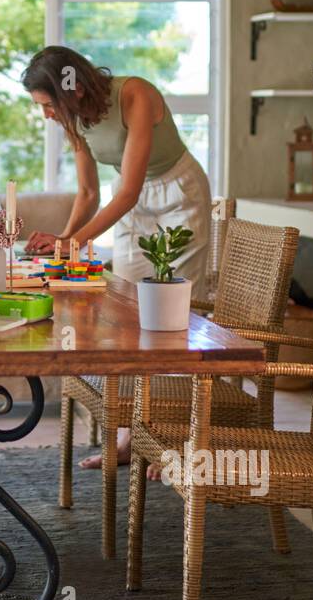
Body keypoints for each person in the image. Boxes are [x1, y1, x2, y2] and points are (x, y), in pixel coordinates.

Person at [20, 45, 212, 476]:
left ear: (71, 88)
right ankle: (129, 436)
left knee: (174, 322)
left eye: (48, 105)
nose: (47, 115)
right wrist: (64, 241)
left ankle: (174, 442)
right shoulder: (73, 120)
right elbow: (89, 193)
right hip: (133, 207)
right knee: (125, 320)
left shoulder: (136, 96)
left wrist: (70, 245)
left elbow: (125, 192)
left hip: (179, 197)